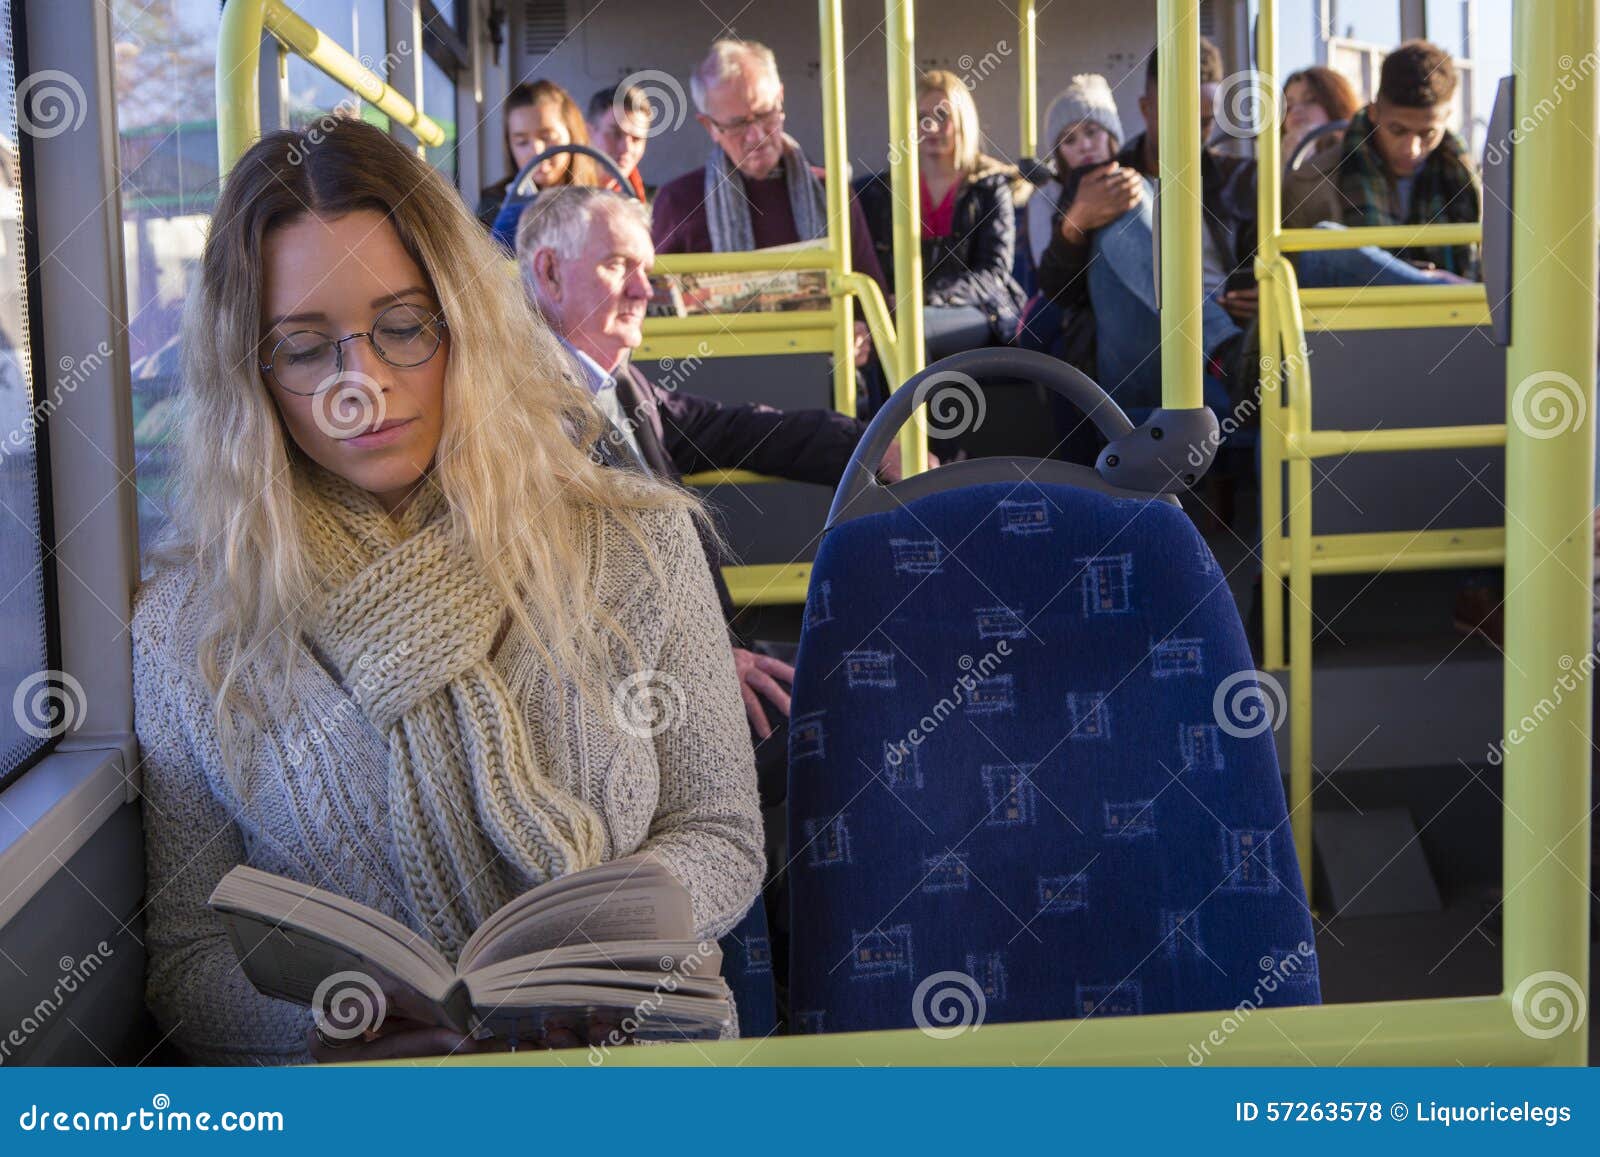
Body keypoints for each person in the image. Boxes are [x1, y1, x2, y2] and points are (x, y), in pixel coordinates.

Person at [134, 119, 763, 1065]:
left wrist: (611, 948)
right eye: (305, 350)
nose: (364, 388)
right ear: (248, 373)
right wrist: (323, 1030)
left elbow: (721, 831)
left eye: (402, 328)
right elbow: (187, 960)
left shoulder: (636, 540)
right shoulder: (188, 628)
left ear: (463, 320)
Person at [517, 186, 912, 774]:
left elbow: (737, 429)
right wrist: (697, 663)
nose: (643, 291)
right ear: (549, 272)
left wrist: (873, 445)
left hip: (714, 658)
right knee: (879, 714)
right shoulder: (519, 412)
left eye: (646, 270)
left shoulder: (620, 386)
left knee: (896, 671)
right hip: (640, 703)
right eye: (618, 265)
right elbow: (558, 598)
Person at [1036, 38, 1255, 416]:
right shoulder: (1102, 179)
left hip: (1232, 337)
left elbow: (1270, 264)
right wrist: (1077, 223)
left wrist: (1267, 293)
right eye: (1176, 117)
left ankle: (1226, 354)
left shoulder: (1242, 179)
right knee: (1126, 196)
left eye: (1202, 122)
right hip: (1142, 349)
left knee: (1330, 238)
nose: (1190, 133)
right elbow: (1059, 293)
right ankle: (1224, 352)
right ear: (1147, 108)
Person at [652, 38, 886, 373]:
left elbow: (874, 302)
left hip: (824, 384)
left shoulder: (830, 191)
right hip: (716, 391)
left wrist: (862, 336)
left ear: (780, 99)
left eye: (764, 115)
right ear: (709, 127)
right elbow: (652, 317)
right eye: (737, 124)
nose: (756, 135)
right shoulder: (679, 202)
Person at [855, 71, 1027, 360]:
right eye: (922, 117)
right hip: (898, 310)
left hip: (977, 310)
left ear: (963, 122)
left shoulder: (988, 188)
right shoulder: (880, 192)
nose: (931, 126)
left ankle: (918, 406)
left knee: (913, 330)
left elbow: (993, 274)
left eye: (942, 116)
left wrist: (921, 298)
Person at [1283, 40, 1480, 282]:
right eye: (1397, 130)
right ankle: (1440, 289)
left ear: (1448, 117)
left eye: (1427, 134)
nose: (1412, 149)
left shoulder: (1474, 183)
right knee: (1329, 243)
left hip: (1454, 317)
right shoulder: (1308, 183)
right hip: (1357, 317)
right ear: (1375, 112)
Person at [476, 80, 598, 236]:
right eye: (522, 142)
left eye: (547, 137)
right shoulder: (494, 207)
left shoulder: (598, 201)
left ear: (573, 136)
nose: (536, 150)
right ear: (510, 146)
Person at [1281, 65, 1360, 165]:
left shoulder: (1357, 155)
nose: (1295, 110)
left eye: (1310, 100)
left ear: (1336, 105)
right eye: (1289, 107)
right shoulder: (1267, 168)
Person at [587, 83, 651, 200]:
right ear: (588, 133)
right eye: (615, 134)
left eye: (637, 139)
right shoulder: (557, 196)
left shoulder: (652, 206)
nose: (627, 148)